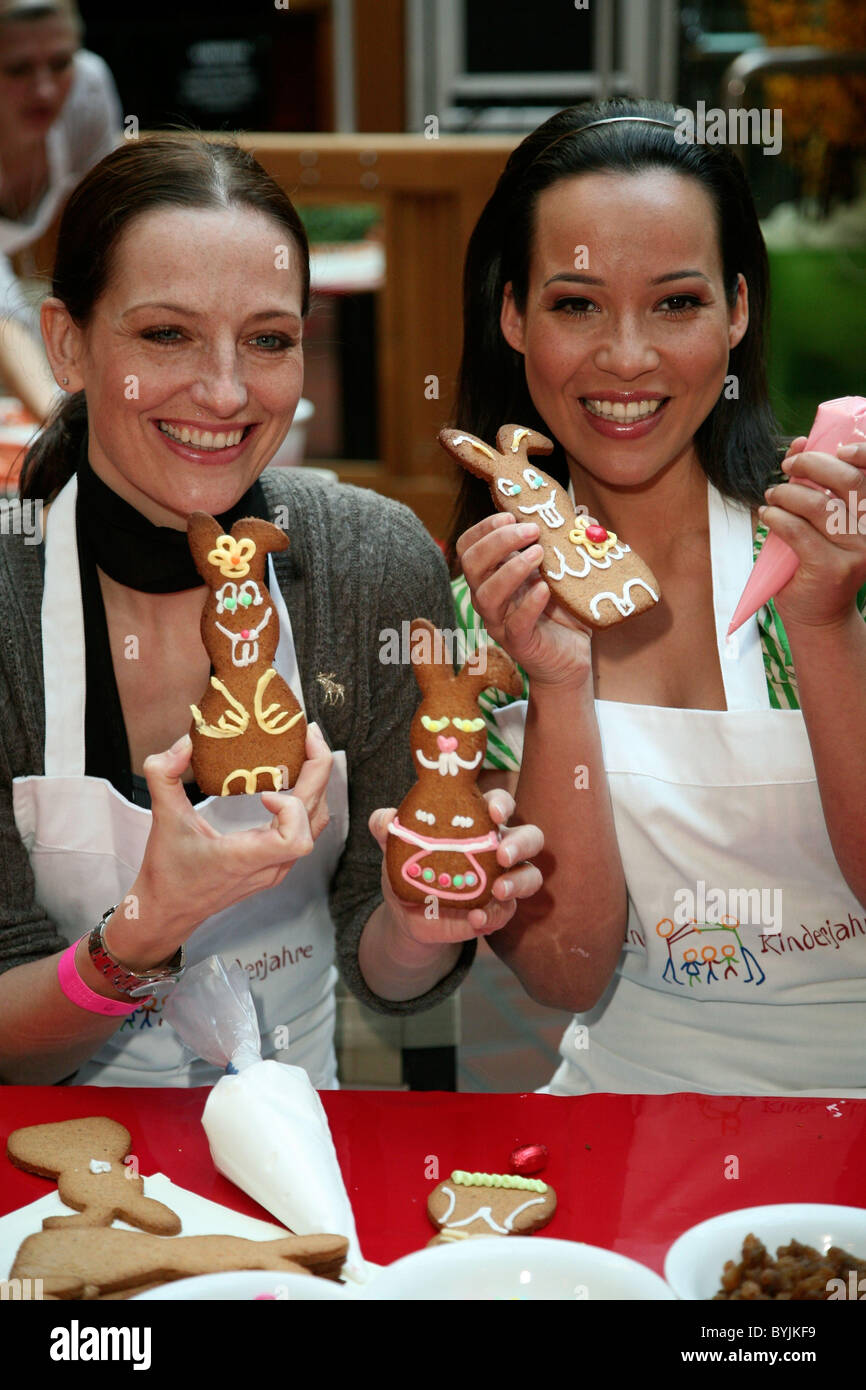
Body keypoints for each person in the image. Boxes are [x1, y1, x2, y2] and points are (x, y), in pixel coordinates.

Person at [0, 132, 543, 1088]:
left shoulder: (369, 565)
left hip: (298, 1151)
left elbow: (386, 974)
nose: (225, 390)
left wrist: (424, 924)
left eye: (269, 340)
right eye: (166, 334)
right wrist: (143, 930)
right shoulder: (7, 595)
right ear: (67, 344)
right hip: (46, 1174)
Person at [451, 97, 866, 1097]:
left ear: (736, 308)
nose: (625, 358)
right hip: (631, 1109)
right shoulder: (484, 609)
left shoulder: (836, 538)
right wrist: (557, 687)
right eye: (575, 304)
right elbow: (560, 975)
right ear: (512, 316)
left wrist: (819, 622)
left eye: (674, 303)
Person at [0, 0, 121, 420]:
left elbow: (112, 225)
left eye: (60, 62)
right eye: (17, 69)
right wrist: (63, 424)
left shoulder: (87, 88)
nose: (45, 90)